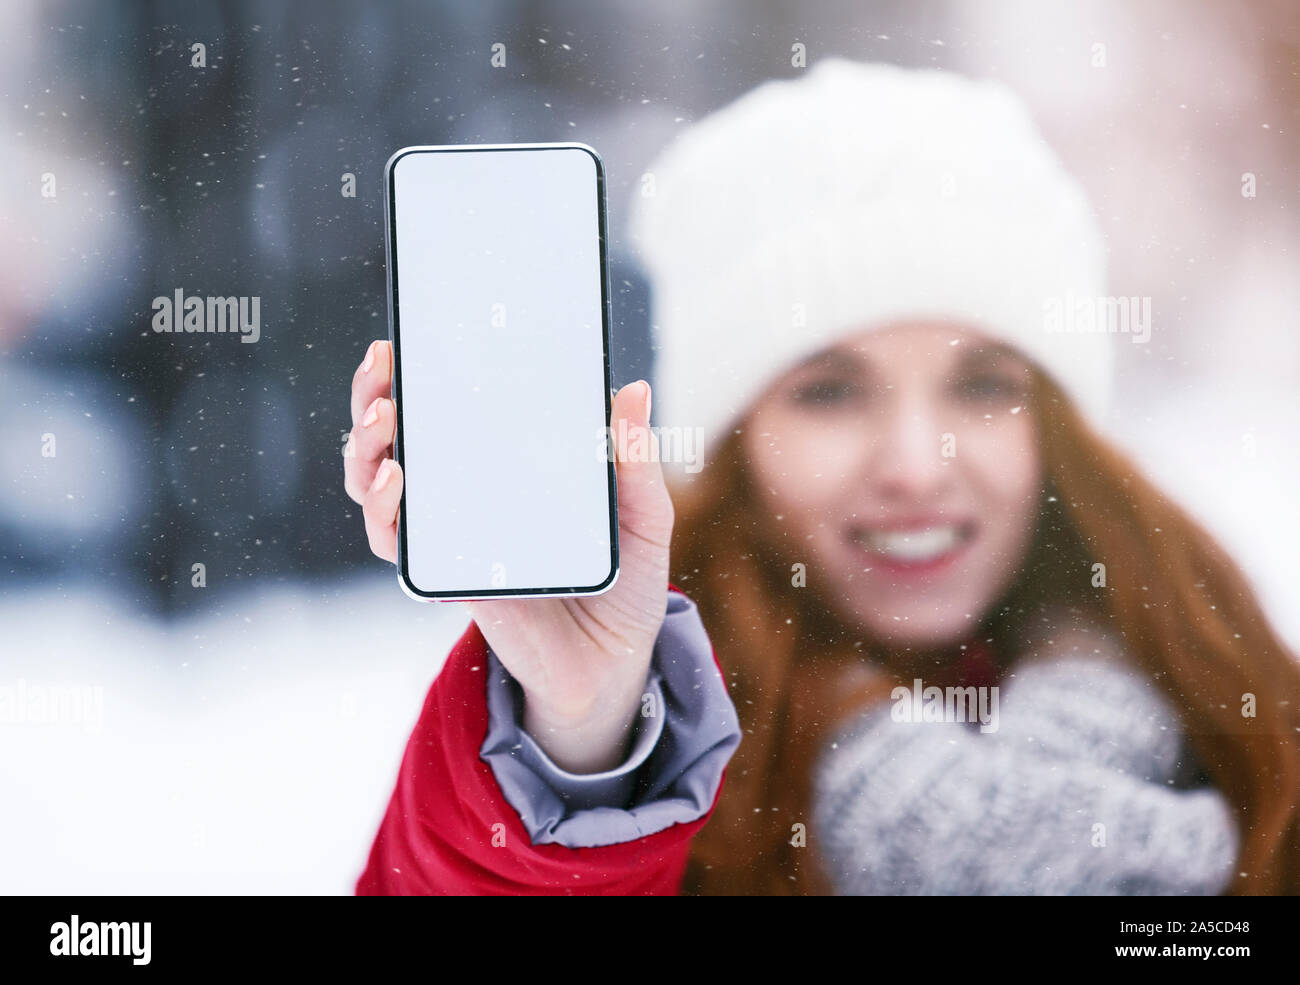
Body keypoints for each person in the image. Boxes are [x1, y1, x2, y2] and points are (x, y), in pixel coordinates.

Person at [344, 59, 1300, 895]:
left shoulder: (1229, 697)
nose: (919, 467)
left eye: (983, 385)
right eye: (832, 392)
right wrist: (586, 743)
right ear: (736, 444)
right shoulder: (647, 731)